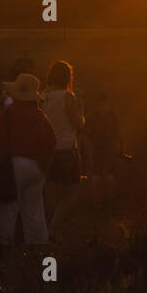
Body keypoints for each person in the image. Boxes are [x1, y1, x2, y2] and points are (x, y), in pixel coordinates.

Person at [0, 72, 56, 247]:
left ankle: (3, 250)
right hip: (36, 167)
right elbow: (51, 140)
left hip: (12, 165)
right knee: (34, 211)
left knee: (6, 211)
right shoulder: (40, 116)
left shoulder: (9, 114)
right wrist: (43, 166)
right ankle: (38, 248)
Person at [41, 60, 85, 239]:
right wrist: (81, 108)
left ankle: (49, 228)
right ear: (68, 77)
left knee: (50, 191)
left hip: (47, 148)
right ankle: (53, 229)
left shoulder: (43, 96)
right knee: (73, 192)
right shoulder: (67, 97)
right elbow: (78, 124)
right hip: (66, 148)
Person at [84, 90, 124, 213]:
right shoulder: (111, 115)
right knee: (105, 176)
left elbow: (86, 134)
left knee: (103, 176)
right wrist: (120, 149)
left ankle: (102, 204)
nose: (103, 105)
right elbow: (118, 134)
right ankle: (105, 203)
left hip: (104, 149)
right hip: (103, 149)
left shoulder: (93, 116)